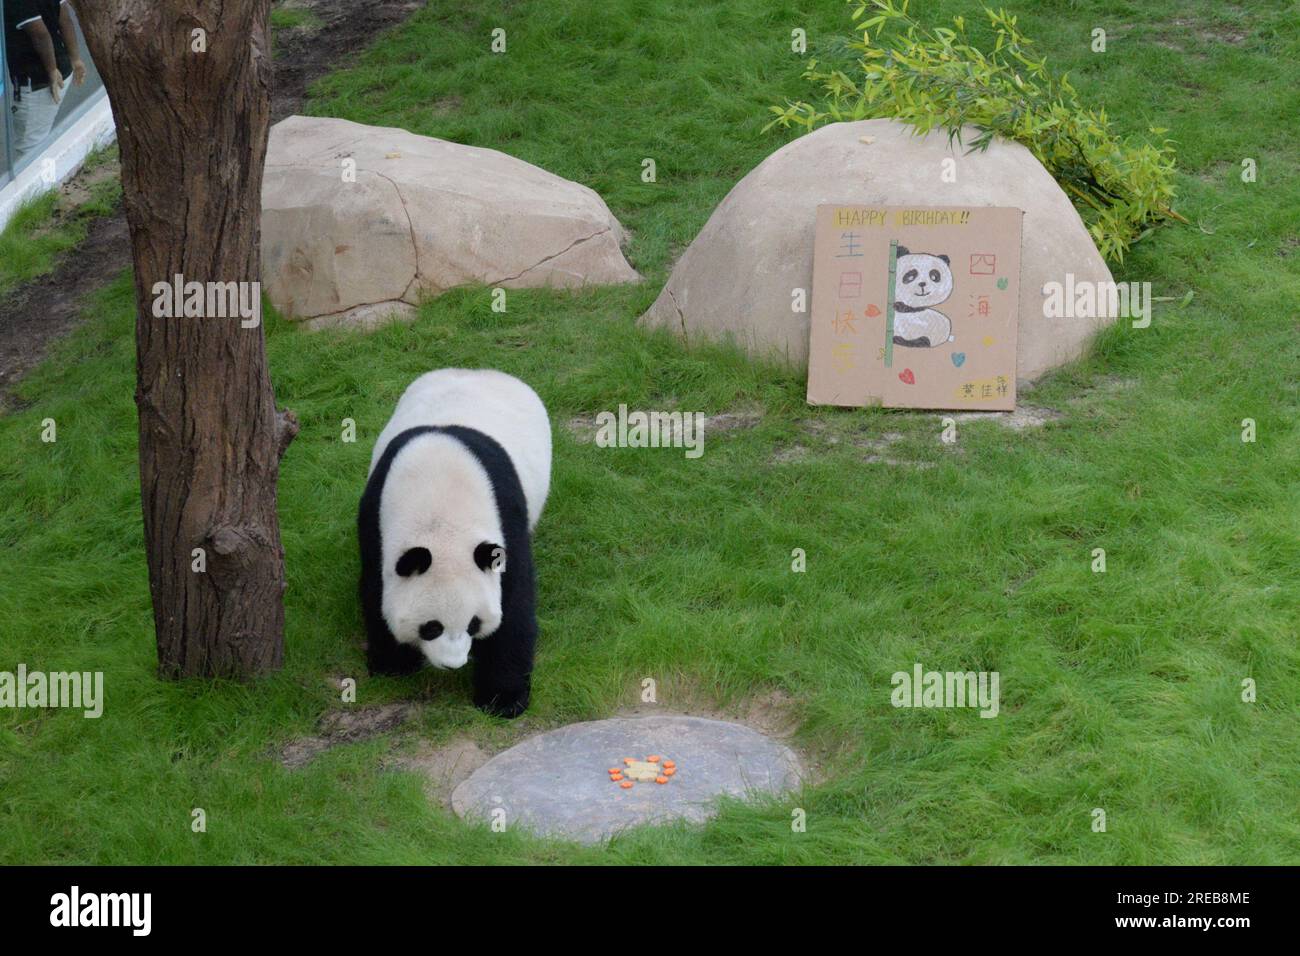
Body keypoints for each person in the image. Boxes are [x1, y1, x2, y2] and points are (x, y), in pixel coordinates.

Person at [5, 0, 87, 161]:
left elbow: (40, 34)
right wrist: (75, 59)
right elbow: (64, 19)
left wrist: (51, 70)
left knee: (29, 146)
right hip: (61, 68)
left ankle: (42, 182)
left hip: (37, 80)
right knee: (39, 134)